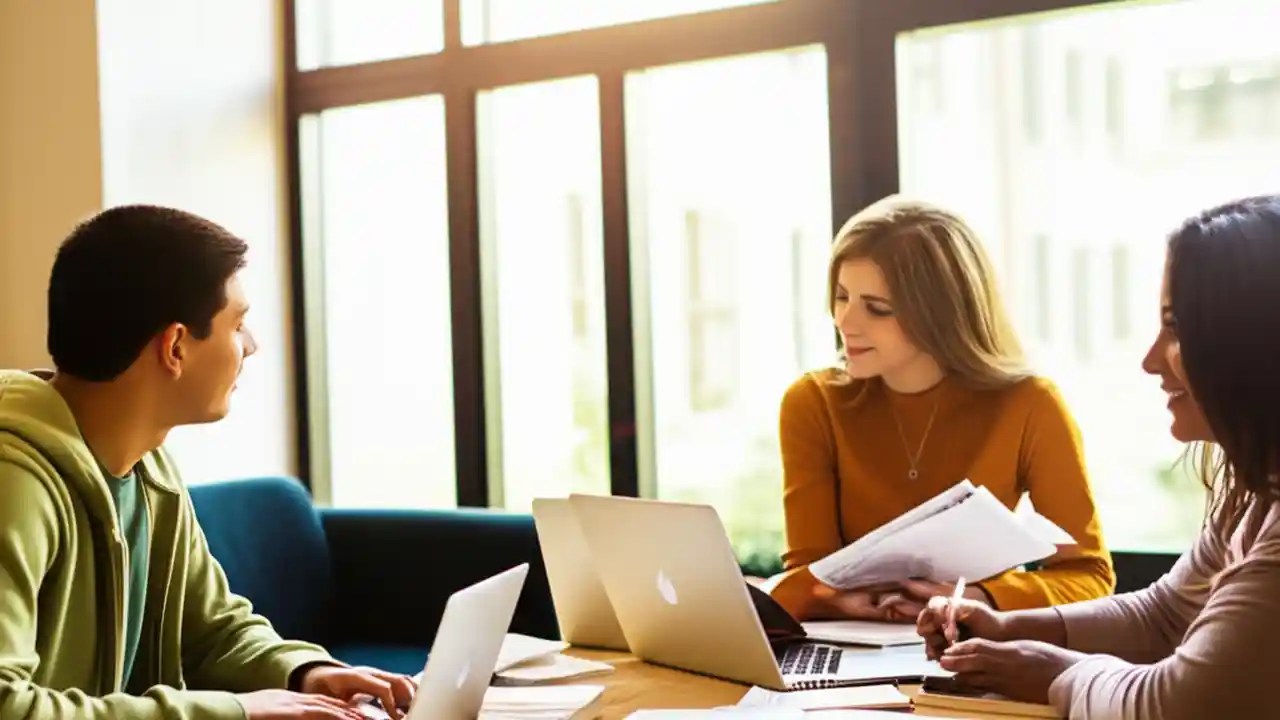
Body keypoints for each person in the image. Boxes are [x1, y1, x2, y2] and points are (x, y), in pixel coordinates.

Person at [0, 206, 414, 719]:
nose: (251, 345)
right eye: (237, 324)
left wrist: (305, 673)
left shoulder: (149, 468)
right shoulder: (14, 484)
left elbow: (210, 630)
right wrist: (236, 712)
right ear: (175, 346)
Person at [917, 195, 1280, 718]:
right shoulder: (1253, 490)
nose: (1150, 361)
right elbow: (1165, 616)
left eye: (1176, 329)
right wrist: (1009, 627)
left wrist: (1053, 672)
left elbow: (1178, 705)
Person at [769, 196, 1114, 622]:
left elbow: (1089, 576)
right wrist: (830, 598)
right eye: (842, 297)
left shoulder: (1030, 405)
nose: (846, 321)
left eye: (877, 308)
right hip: (852, 642)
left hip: (976, 641)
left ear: (940, 315)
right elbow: (803, 577)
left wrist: (981, 599)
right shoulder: (812, 403)